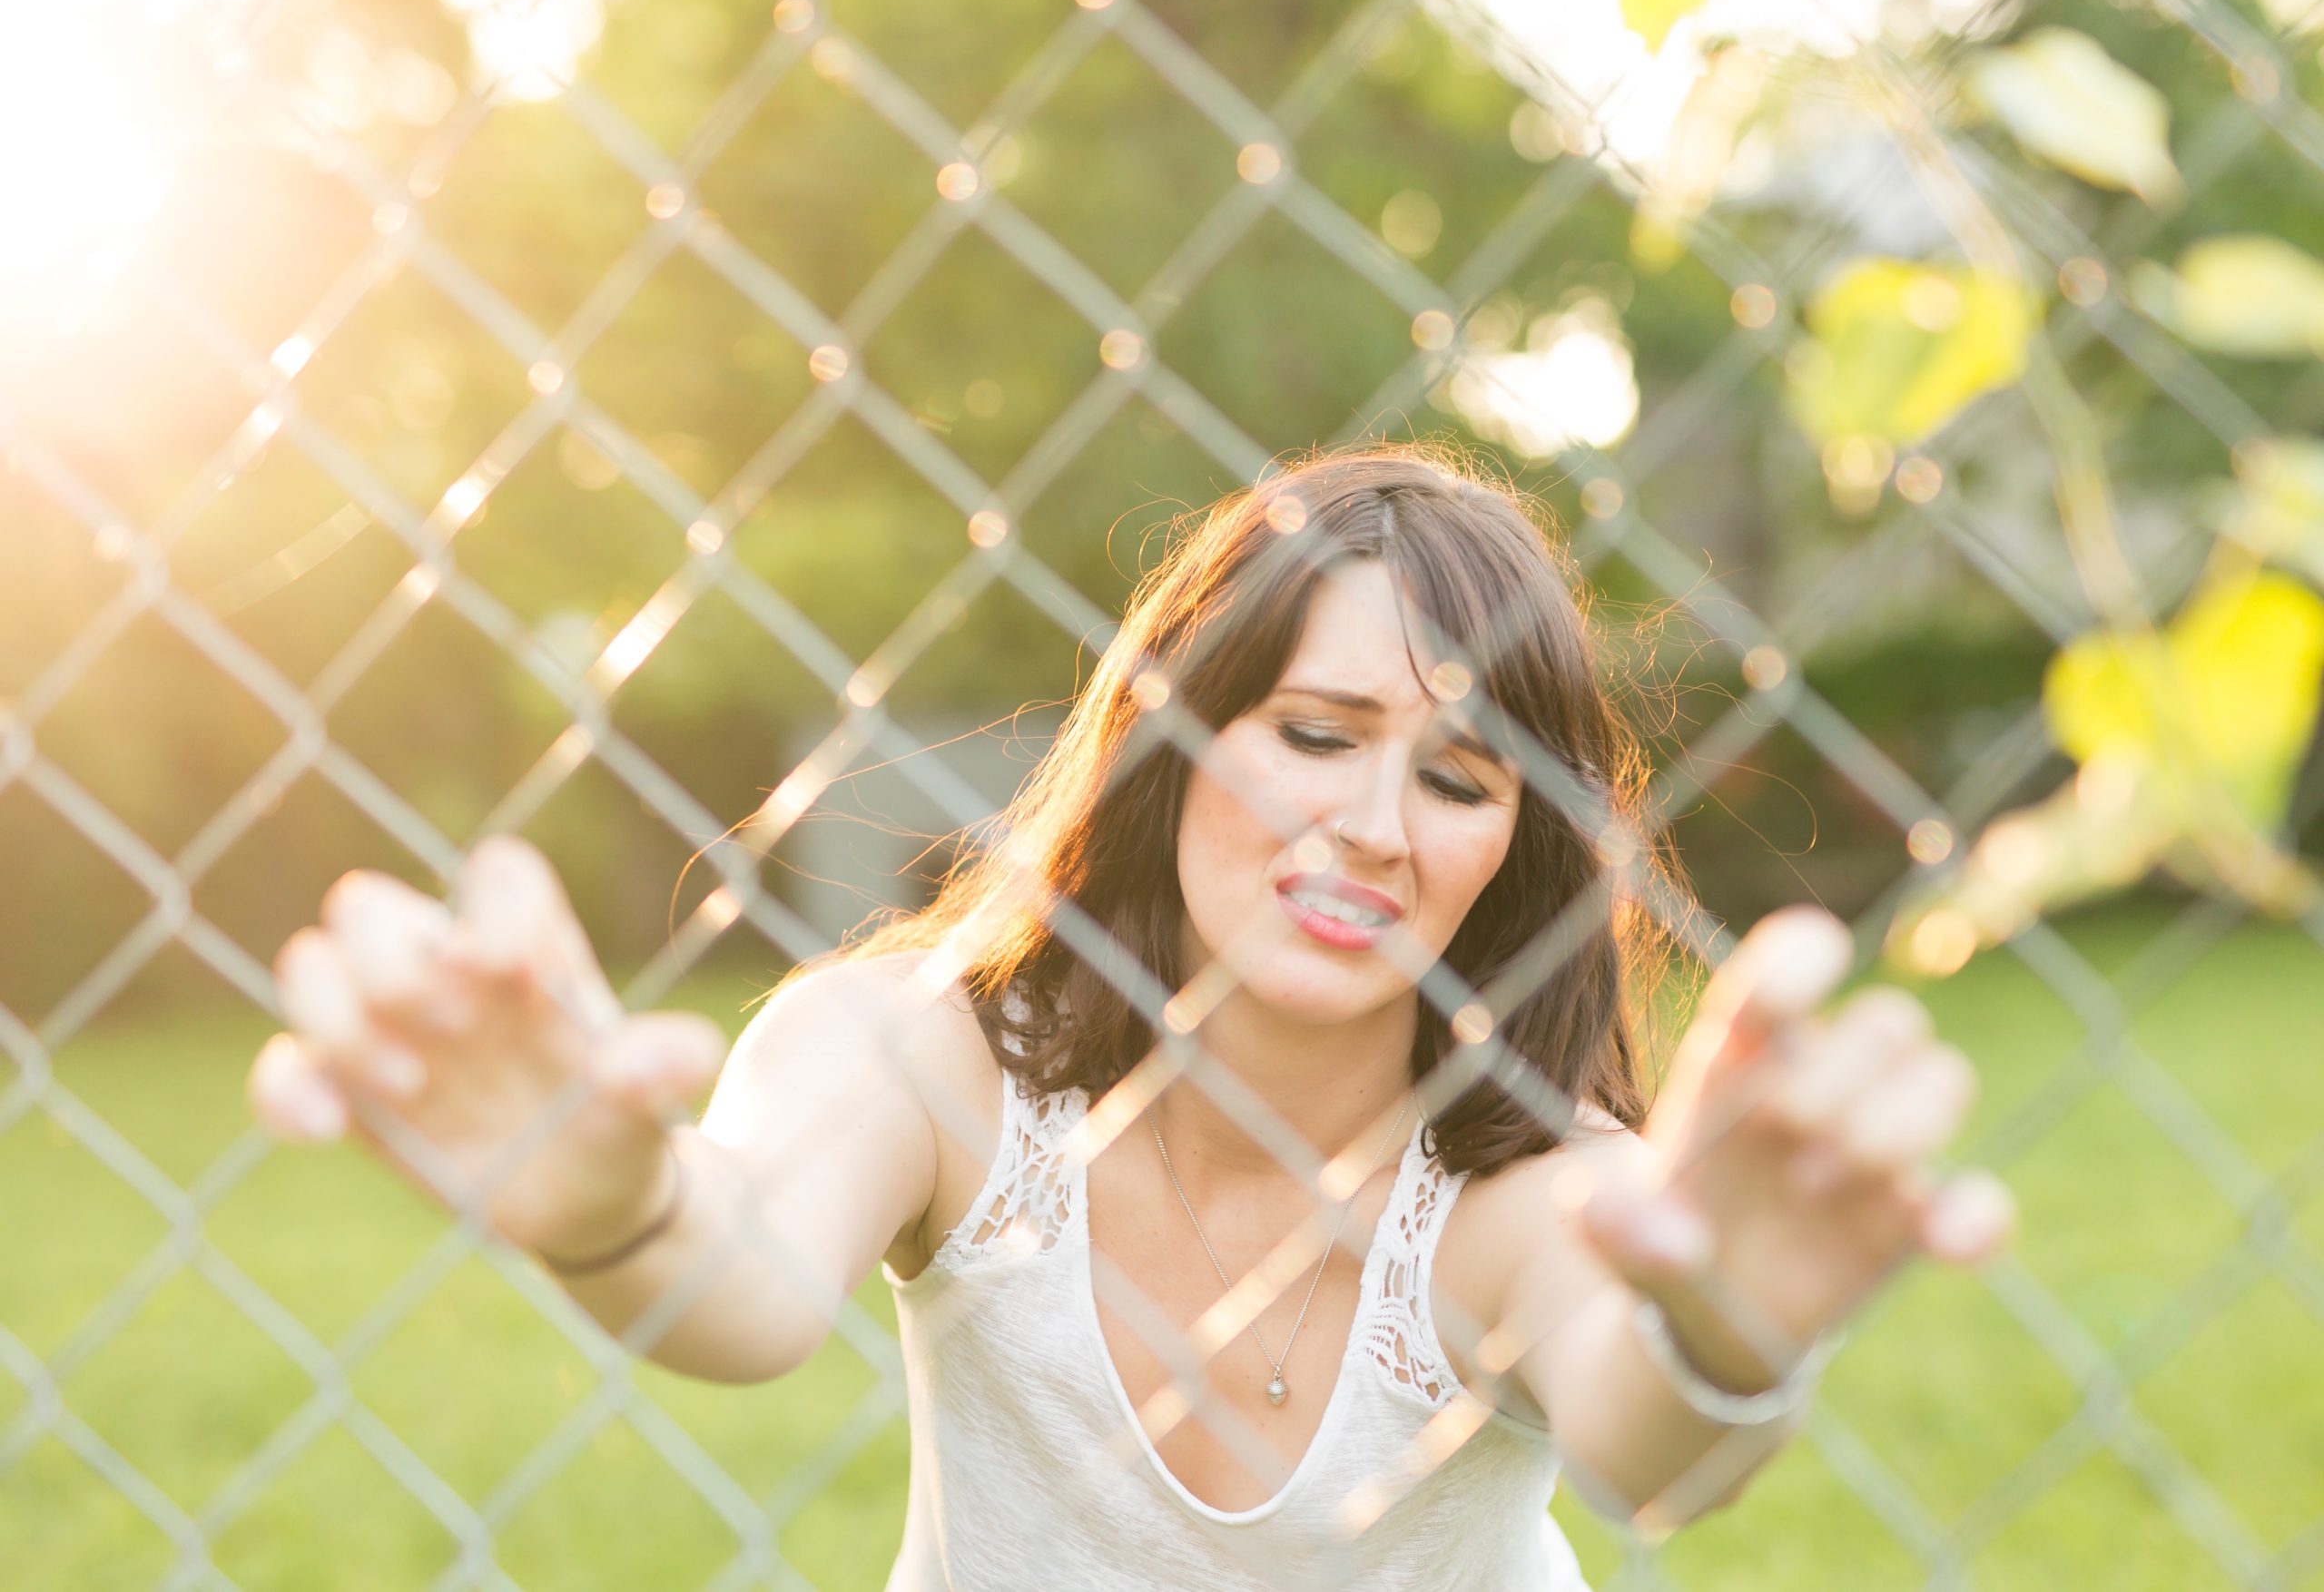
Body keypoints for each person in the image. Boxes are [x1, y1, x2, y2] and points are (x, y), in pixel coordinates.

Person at [247, 445, 2015, 1589]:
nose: (1375, 831)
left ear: (1517, 846)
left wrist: (1723, 1333)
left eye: (1459, 779)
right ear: (1170, 743)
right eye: (1313, 736)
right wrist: (611, 1209)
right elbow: (746, 1284)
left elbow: (1651, 1448)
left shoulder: (1520, 1186)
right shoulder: (921, 1051)